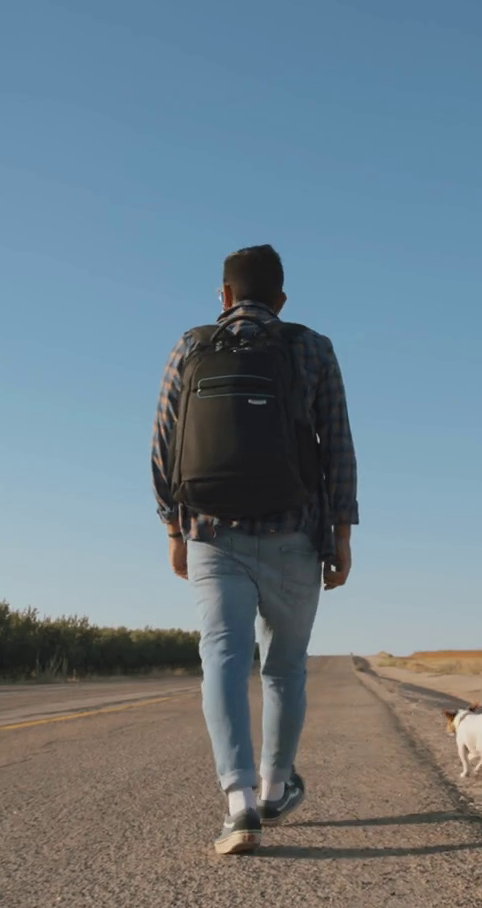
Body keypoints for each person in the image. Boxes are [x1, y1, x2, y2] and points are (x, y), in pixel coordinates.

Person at [151, 244, 358, 855]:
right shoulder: (312, 347)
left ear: (223, 297)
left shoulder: (191, 346)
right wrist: (341, 533)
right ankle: (274, 786)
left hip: (211, 532)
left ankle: (238, 802)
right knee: (285, 667)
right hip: (295, 533)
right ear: (282, 300)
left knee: (222, 657)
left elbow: (164, 444)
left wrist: (172, 527)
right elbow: (339, 444)